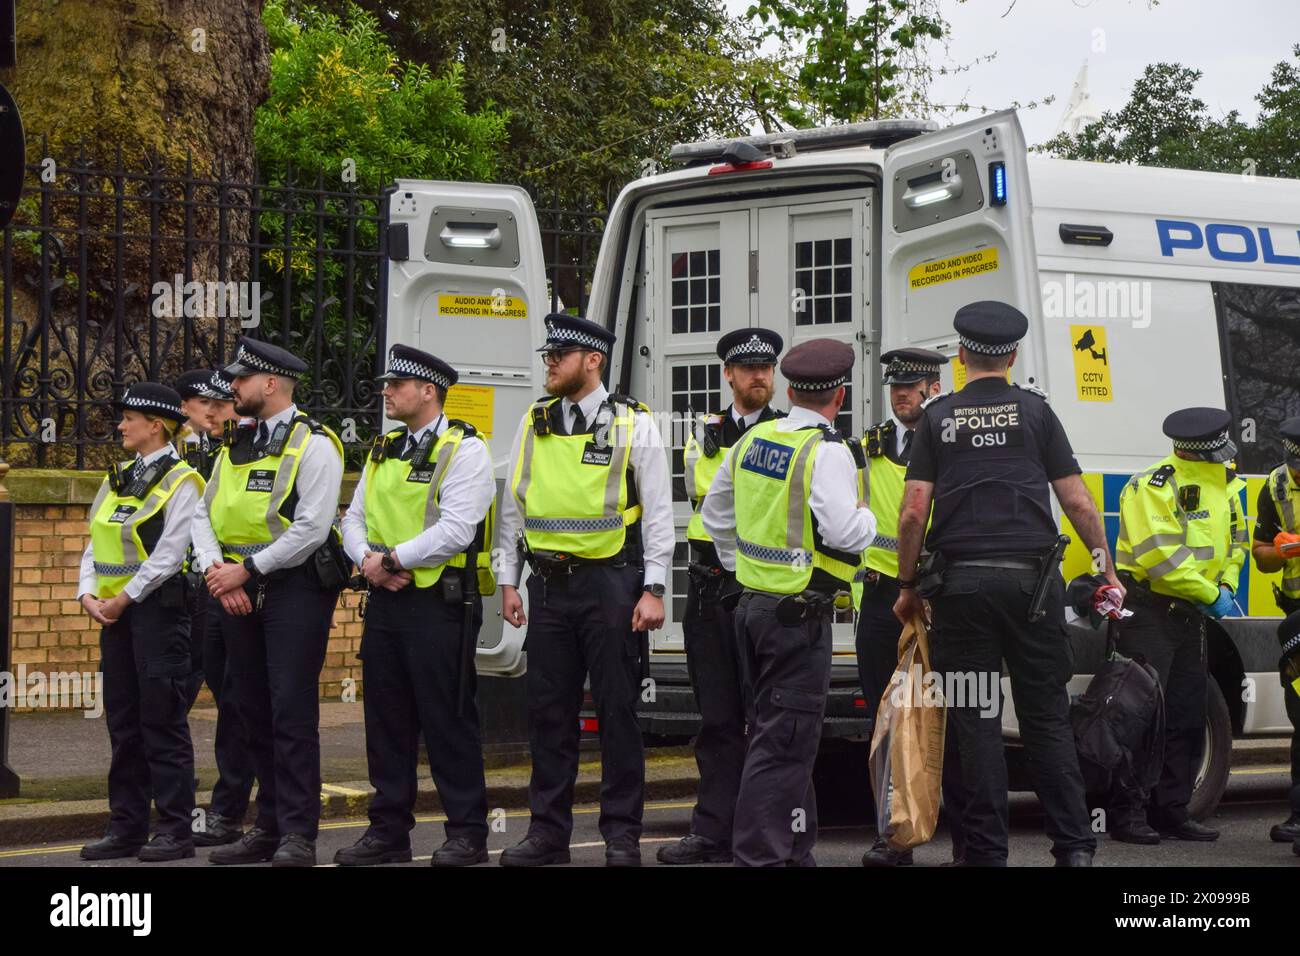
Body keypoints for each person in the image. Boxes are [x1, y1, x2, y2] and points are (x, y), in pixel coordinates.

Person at [893, 301, 1114, 867]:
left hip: (961, 592)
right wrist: (1104, 568)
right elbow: (1077, 501)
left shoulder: (938, 417)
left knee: (976, 720)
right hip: (1033, 590)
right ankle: (1074, 847)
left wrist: (908, 584)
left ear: (961, 356)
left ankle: (987, 854)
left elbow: (914, 512)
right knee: (1045, 719)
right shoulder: (1036, 414)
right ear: (1012, 356)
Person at [496, 314, 674, 868]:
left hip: (613, 585)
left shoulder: (632, 423)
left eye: (560, 354)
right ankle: (547, 835)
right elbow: (513, 505)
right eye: (549, 353)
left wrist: (655, 589)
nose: (549, 361)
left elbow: (659, 513)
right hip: (547, 587)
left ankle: (621, 836)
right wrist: (507, 580)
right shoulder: (535, 420)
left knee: (618, 714)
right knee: (549, 715)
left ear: (592, 360)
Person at [701, 337, 876, 867]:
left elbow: (715, 517)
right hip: (796, 618)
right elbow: (846, 531)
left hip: (752, 609)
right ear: (838, 396)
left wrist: (742, 568)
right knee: (783, 745)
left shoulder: (754, 441)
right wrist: (869, 518)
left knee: (782, 736)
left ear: (793, 389)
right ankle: (760, 857)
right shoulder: (826, 451)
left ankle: (796, 851)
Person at [336, 345, 496, 867]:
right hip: (386, 601)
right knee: (386, 723)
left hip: (437, 605)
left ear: (428, 391)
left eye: (396, 384)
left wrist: (391, 558)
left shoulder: (465, 450)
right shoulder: (384, 448)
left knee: (447, 722)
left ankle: (467, 833)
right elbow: (351, 517)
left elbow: (457, 529)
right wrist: (367, 560)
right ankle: (388, 833)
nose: (386, 391)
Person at [191, 336, 345, 867]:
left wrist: (247, 570)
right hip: (236, 586)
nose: (232, 387)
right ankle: (268, 826)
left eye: (241, 380)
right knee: (247, 707)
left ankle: (298, 834)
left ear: (271, 384)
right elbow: (201, 514)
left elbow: (312, 527)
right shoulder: (236, 443)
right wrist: (219, 571)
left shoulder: (315, 443)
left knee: (290, 711)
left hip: (293, 590)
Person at [659, 327, 784, 866]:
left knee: (769, 717)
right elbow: (704, 501)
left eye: (766, 368)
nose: (759, 376)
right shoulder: (702, 435)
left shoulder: (789, 433)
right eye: (747, 368)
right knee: (717, 717)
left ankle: (762, 833)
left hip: (762, 591)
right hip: (711, 590)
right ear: (729, 375)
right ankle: (713, 830)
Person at [1107, 407, 1247, 845]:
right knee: (1139, 715)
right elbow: (1160, 559)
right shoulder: (1155, 487)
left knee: (1187, 713)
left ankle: (1172, 811)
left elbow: (1237, 543)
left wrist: (1226, 582)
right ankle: (1127, 815)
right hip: (1152, 612)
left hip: (1191, 618)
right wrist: (1211, 595)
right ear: (1197, 450)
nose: (1225, 459)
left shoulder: (1226, 485)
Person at [77, 383, 204, 862]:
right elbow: (95, 542)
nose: (121, 425)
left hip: (158, 613)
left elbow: (171, 555)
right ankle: (126, 827)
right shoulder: (117, 477)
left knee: (163, 723)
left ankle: (175, 831)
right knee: (124, 724)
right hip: (116, 614)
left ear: (156, 425)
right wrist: (87, 593)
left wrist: (122, 599)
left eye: (129, 418)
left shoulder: (184, 480)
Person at [853, 347, 947, 867]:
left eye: (911, 386)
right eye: (895, 387)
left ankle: (960, 830)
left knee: (946, 709)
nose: (902, 395)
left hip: (936, 594)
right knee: (887, 718)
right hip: (883, 594)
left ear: (934, 386)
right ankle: (892, 834)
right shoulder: (872, 444)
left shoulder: (950, 440)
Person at [187, 369, 257, 847]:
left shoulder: (256, 449)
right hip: (213, 587)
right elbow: (200, 519)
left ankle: (230, 811)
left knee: (239, 703)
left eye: (219, 406)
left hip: (252, 588)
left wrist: (233, 574)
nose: (210, 414)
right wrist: (216, 573)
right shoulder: (211, 451)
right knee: (220, 694)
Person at [1250, 418, 1300, 846]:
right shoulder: (1276, 485)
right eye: (1294, 463)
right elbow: (1261, 554)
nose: (1297, 473)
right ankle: (1299, 816)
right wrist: (1279, 550)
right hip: (1297, 617)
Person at [174, 368, 225, 709]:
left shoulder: (221, 445)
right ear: (182, 406)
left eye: (216, 403)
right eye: (203, 402)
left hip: (210, 570)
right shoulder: (171, 448)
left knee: (211, 663)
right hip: (180, 573)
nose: (211, 410)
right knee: (183, 666)